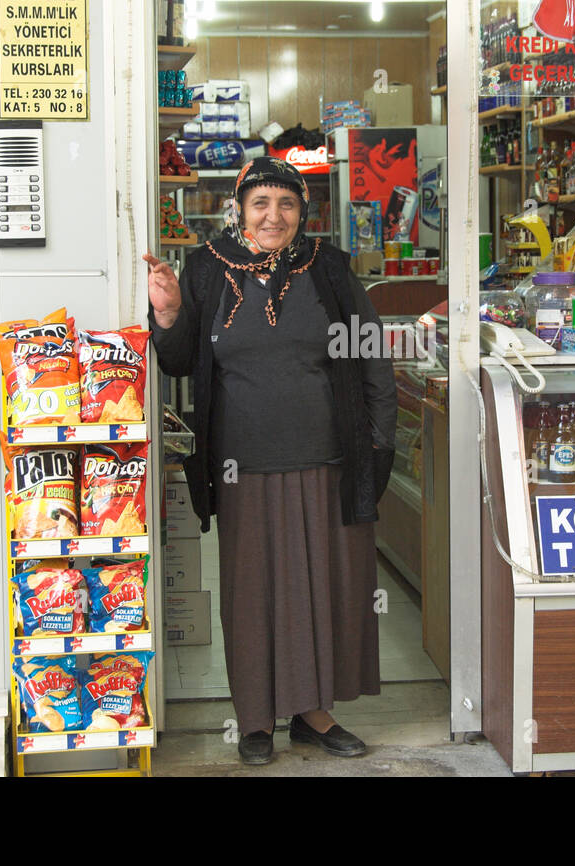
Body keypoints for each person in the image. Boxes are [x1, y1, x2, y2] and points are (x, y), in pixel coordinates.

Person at [143, 156, 397, 765]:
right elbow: (178, 363)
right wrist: (171, 312)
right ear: (240, 207)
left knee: (326, 587)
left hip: (329, 458)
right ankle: (255, 719)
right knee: (253, 593)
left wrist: (379, 443)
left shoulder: (329, 268)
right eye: (261, 203)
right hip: (242, 464)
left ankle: (314, 714)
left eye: (286, 204)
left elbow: (371, 356)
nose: (273, 216)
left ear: (302, 212)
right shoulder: (204, 269)